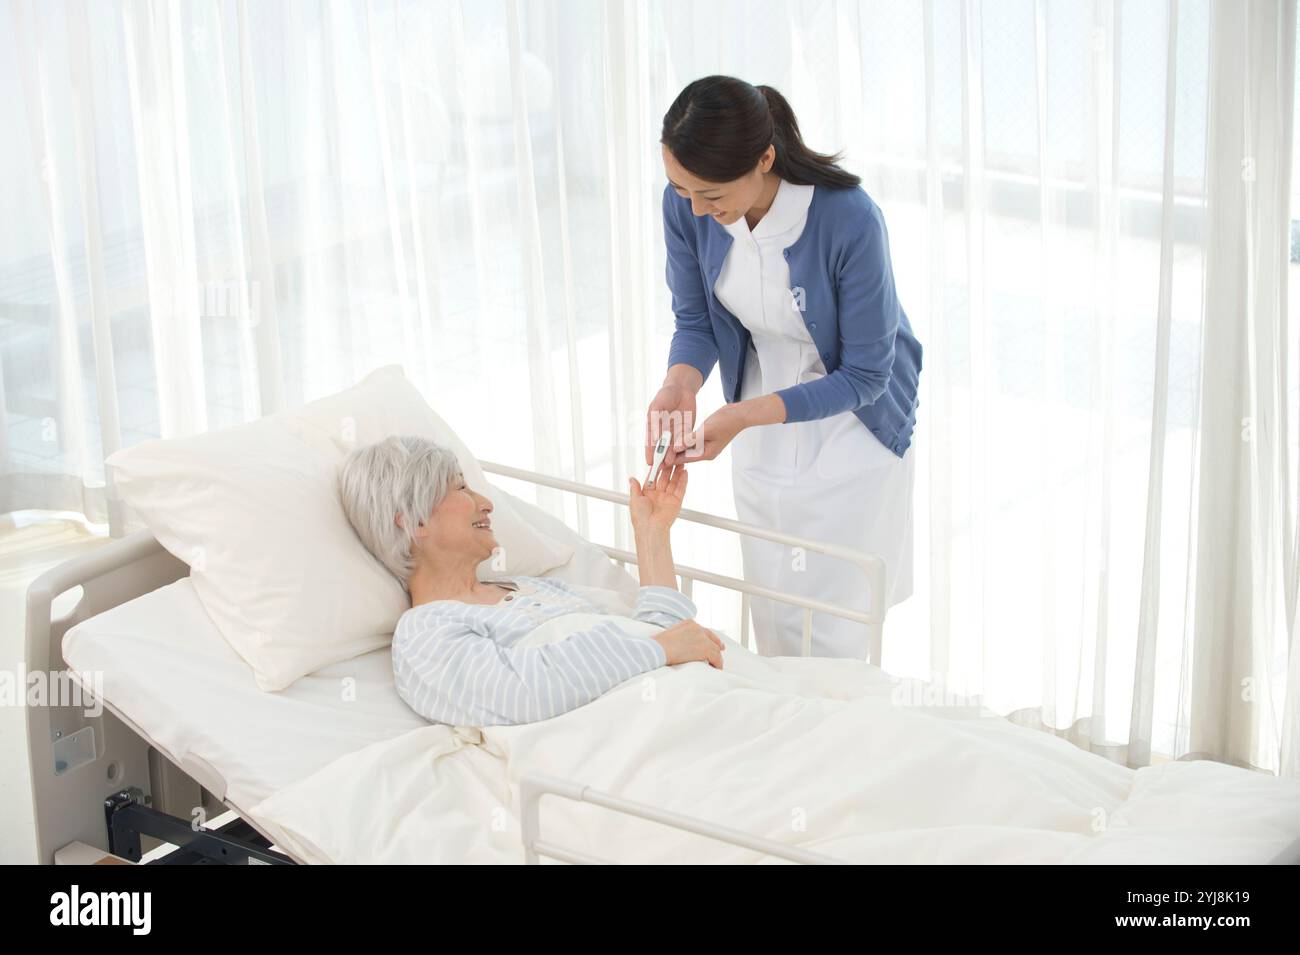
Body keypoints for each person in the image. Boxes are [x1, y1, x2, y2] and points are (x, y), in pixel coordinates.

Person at [648, 75, 923, 659]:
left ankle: (847, 738)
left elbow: (868, 376)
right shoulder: (687, 204)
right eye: (681, 189)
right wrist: (680, 381)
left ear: (765, 158)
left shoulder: (849, 219)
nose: (696, 208)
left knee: (837, 627)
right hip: (757, 417)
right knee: (773, 608)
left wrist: (744, 415)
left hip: (852, 425)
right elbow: (696, 321)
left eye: (711, 195)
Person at [338, 434, 722, 726]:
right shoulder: (425, 632)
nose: (485, 503)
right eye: (460, 487)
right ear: (414, 521)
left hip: (695, 701)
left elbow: (669, 642)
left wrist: (652, 533)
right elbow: (526, 692)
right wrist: (659, 650)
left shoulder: (534, 588)